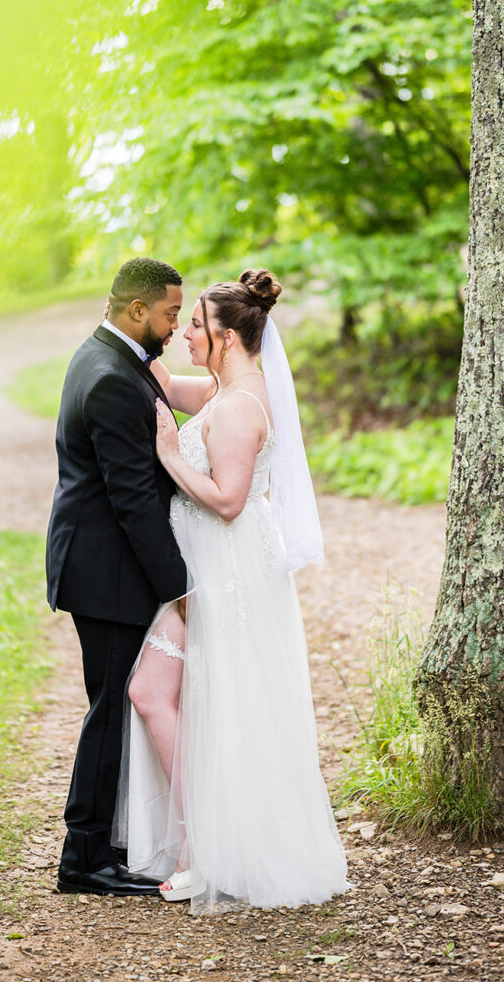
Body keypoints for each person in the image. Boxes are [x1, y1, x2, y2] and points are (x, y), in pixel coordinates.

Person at [113, 268, 349, 912]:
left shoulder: (243, 407)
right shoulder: (226, 388)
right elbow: (167, 385)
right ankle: (201, 847)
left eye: (196, 325)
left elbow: (228, 500)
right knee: (174, 697)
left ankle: (201, 854)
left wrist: (169, 458)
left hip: (226, 570)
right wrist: (119, 330)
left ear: (229, 338)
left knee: (206, 701)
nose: (185, 331)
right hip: (204, 568)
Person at [46, 257, 189, 897]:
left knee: (111, 707)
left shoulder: (110, 355)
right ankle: (85, 859)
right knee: (108, 711)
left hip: (103, 564)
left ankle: (109, 843)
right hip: (105, 571)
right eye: (169, 313)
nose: (174, 323)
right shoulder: (108, 375)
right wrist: (178, 586)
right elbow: (131, 497)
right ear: (137, 311)